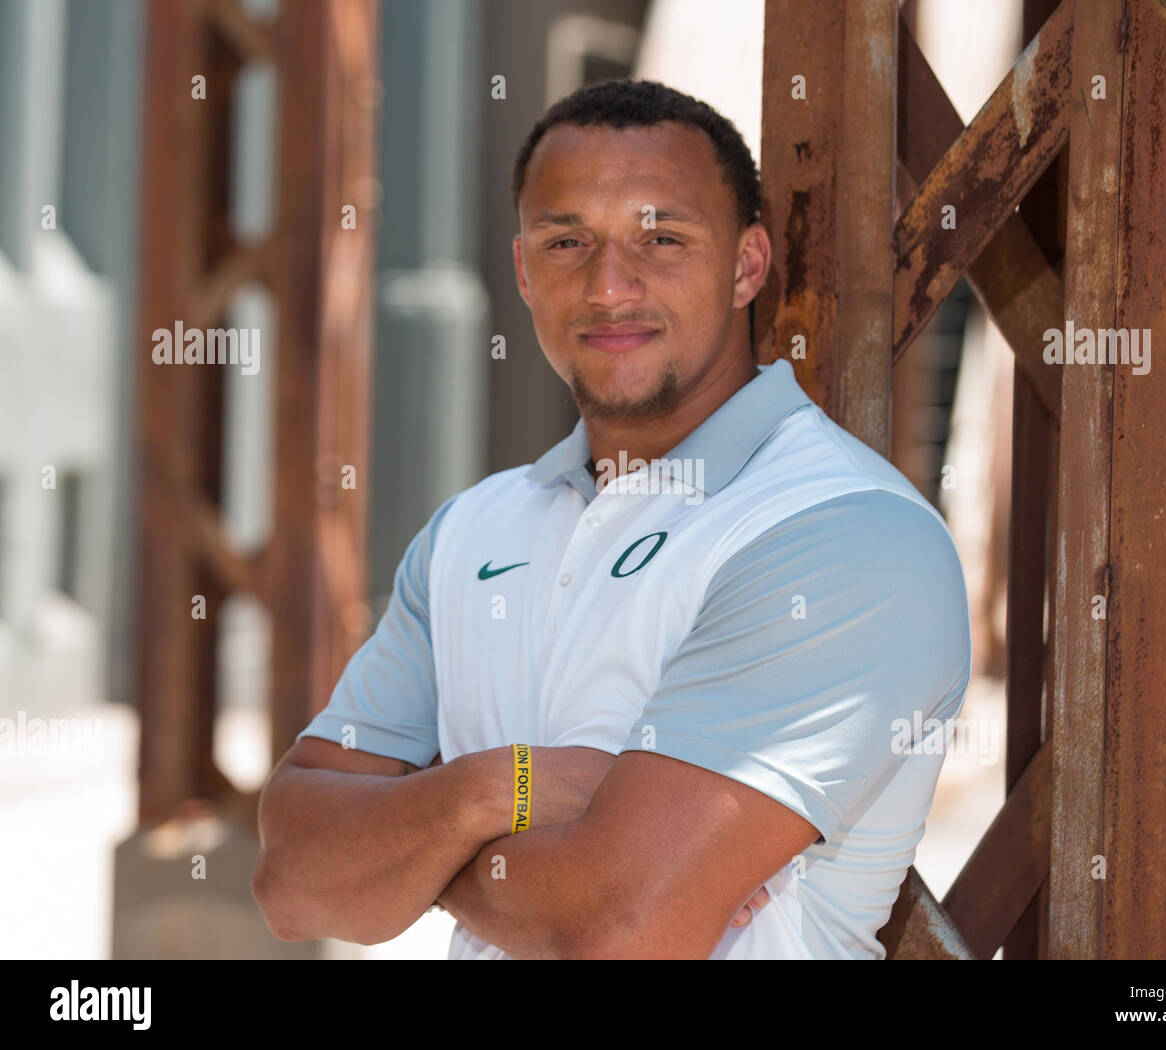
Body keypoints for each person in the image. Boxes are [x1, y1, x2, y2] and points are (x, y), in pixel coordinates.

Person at [252, 78, 972, 959]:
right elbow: (292, 879)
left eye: (660, 237)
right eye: (567, 242)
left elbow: (621, 927)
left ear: (748, 264)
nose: (608, 286)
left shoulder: (845, 532)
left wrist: (407, 852)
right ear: (523, 270)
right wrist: (499, 789)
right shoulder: (468, 533)